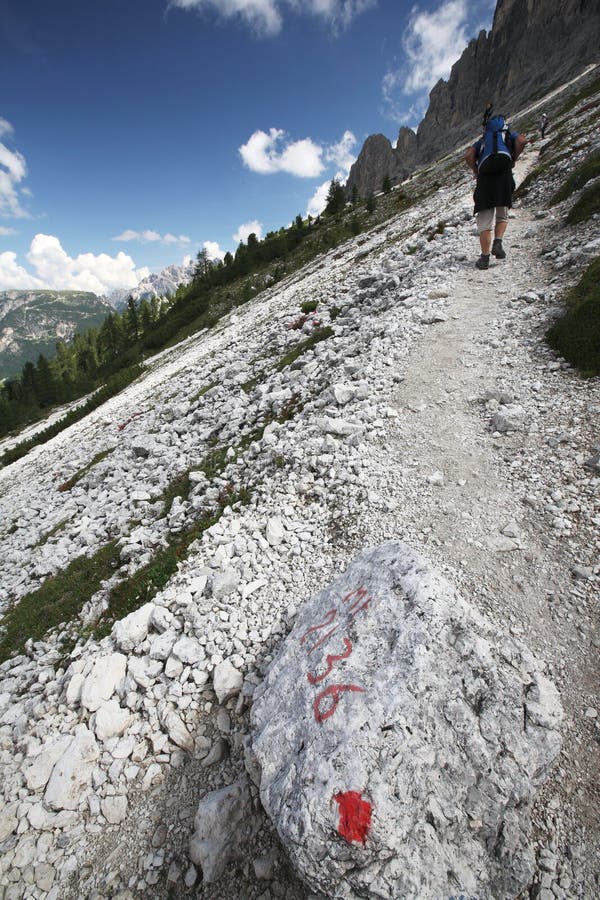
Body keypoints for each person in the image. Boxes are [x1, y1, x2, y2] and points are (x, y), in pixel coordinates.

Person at [464, 114, 527, 270]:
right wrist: (514, 158)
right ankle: (498, 242)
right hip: (504, 177)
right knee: (502, 215)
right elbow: (522, 141)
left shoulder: (483, 141)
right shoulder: (507, 134)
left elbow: (468, 155)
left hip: (485, 181)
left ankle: (484, 258)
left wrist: (475, 170)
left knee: (485, 222)